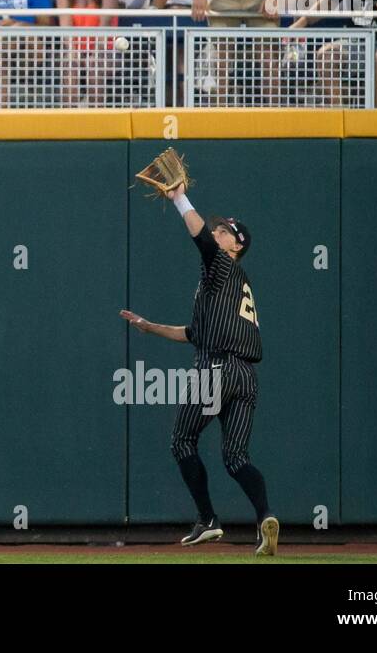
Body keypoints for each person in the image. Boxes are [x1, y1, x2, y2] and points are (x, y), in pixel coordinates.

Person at [119, 180, 277, 556]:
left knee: (181, 440)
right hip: (246, 376)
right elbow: (194, 332)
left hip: (217, 369)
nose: (217, 232)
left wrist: (178, 198)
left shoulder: (222, 265)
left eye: (224, 232)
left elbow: (200, 237)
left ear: (236, 246)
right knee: (237, 458)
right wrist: (150, 327)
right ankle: (266, 519)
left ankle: (207, 520)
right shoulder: (235, 285)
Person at [57, 0, 122, 107]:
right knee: (70, 64)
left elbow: (105, 23)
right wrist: (73, 51)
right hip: (76, 47)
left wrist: (94, 52)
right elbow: (65, 24)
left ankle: (96, 117)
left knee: (95, 63)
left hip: (105, 47)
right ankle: (69, 117)